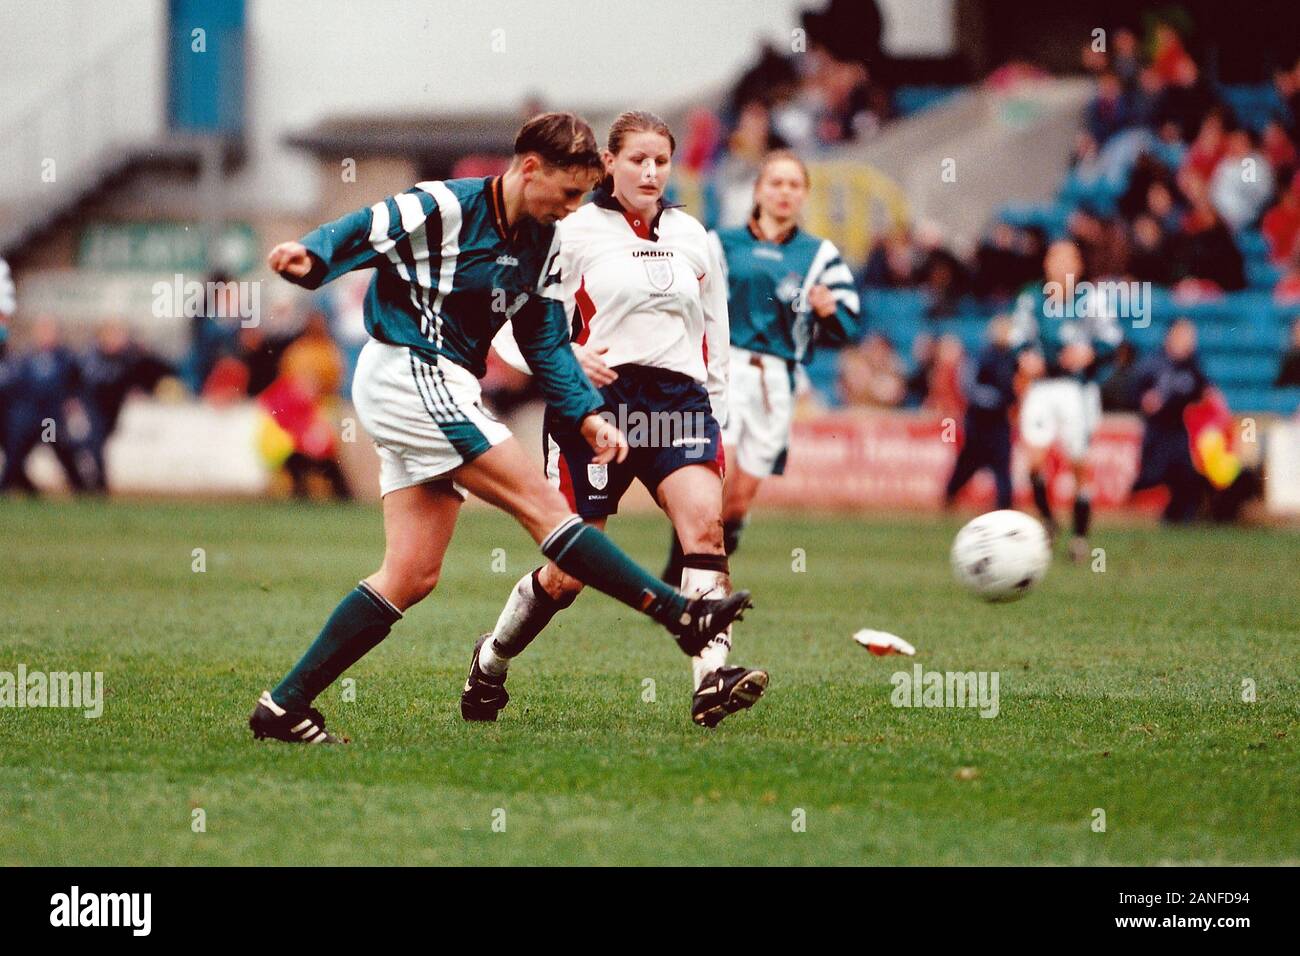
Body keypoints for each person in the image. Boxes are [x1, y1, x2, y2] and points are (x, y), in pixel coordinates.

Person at [248, 112, 753, 745]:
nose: (573, 210)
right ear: (530, 169)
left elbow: (545, 341)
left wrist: (587, 414)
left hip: (439, 381)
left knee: (411, 574)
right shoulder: (446, 205)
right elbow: (366, 229)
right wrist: (312, 258)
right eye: (568, 194)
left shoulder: (542, 239)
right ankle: (679, 614)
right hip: (413, 368)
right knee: (545, 509)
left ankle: (284, 707)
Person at [483, 111, 768, 729]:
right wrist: (562, 354)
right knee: (568, 576)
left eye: (661, 161)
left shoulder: (695, 236)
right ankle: (492, 658)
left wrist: (721, 416)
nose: (650, 171)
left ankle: (711, 677)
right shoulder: (571, 228)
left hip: (678, 403)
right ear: (607, 163)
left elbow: (714, 337)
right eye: (637, 159)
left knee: (705, 532)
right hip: (595, 407)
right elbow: (507, 319)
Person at [1011, 240, 1123, 561]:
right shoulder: (1032, 297)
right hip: (1042, 386)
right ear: (1046, 264)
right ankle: (1048, 519)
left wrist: (1091, 352)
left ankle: (1080, 537)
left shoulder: (1091, 298)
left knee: (1079, 462)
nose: (1061, 266)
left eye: (1067, 260)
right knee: (1033, 460)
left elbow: (1112, 341)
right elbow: (1019, 337)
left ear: (1078, 265)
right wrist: (1024, 357)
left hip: (1078, 389)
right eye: (1055, 259)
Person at [1130, 319, 1210, 522]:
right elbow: (1132, 393)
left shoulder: (1193, 366)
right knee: (1152, 476)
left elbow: (1203, 391)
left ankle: (1180, 518)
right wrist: (1145, 400)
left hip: (1180, 429)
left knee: (1186, 476)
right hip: (1158, 430)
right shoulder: (1152, 364)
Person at [1, 317, 89, 494]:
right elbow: (16, 387)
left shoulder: (66, 359)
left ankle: (80, 488)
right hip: (30, 418)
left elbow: (78, 385)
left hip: (51, 418)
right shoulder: (26, 358)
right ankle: (8, 486)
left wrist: (72, 403)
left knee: (61, 450)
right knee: (17, 453)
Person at [943, 317, 1018, 511]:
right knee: (969, 461)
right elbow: (968, 386)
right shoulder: (980, 357)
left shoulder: (1012, 358)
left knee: (1003, 465)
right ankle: (949, 495)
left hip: (1000, 421)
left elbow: (1015, 388)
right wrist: (994, 399)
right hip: (978, 420)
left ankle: (1005, 506)